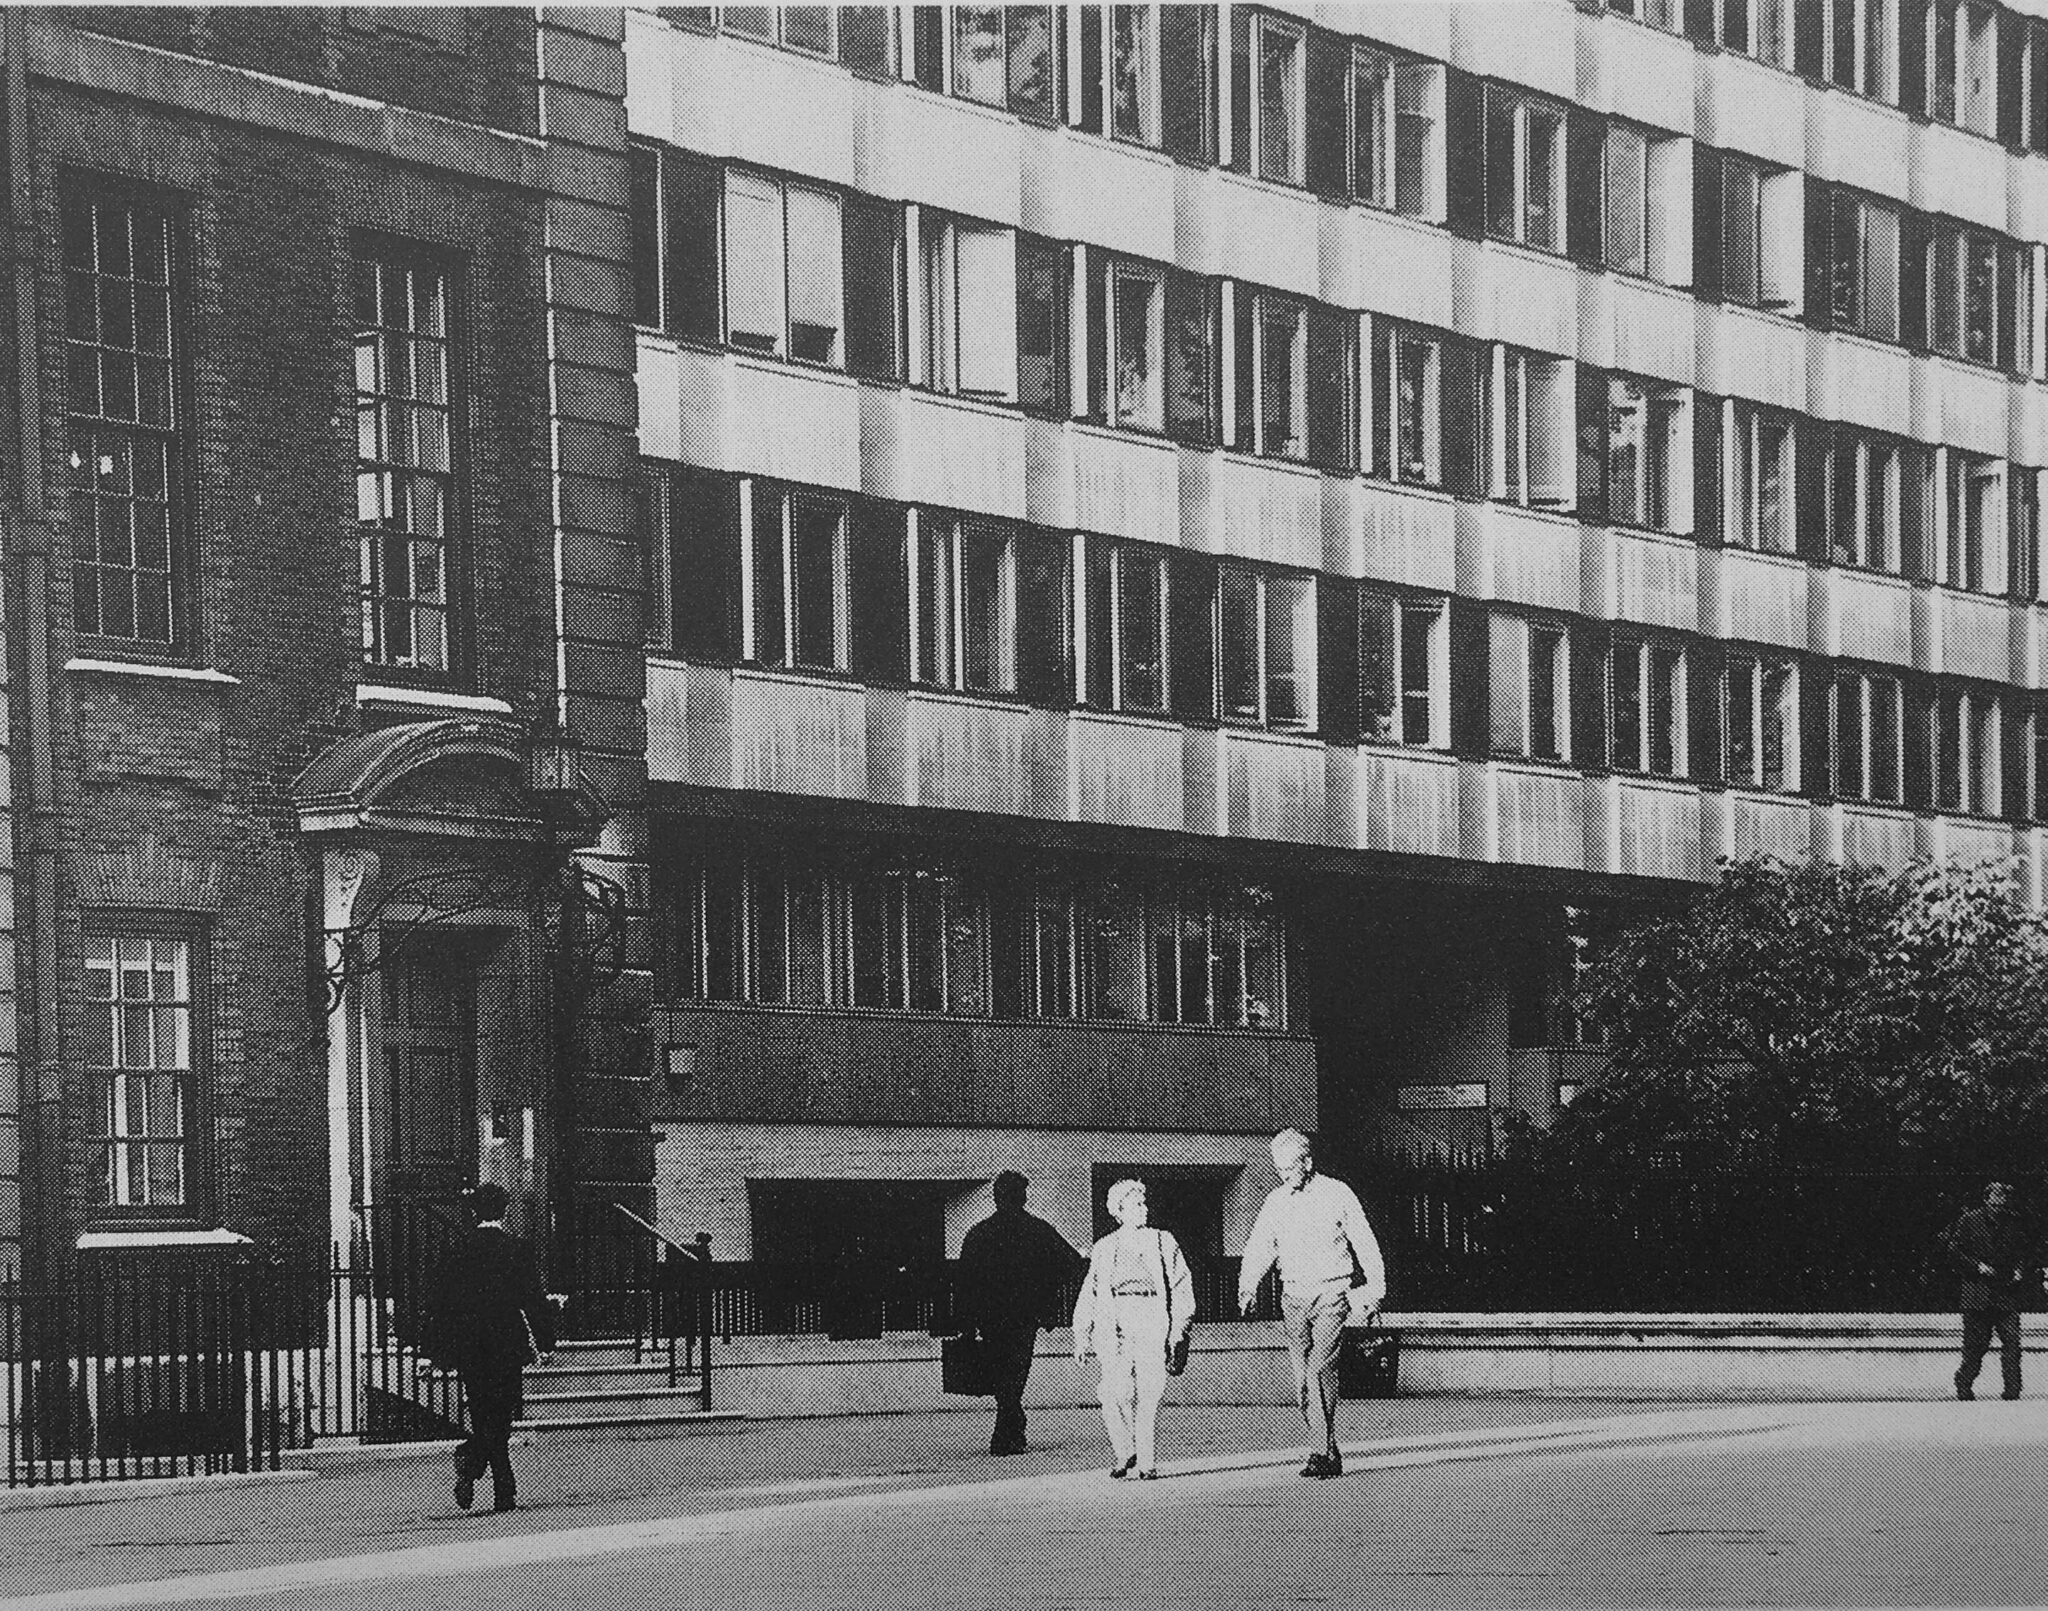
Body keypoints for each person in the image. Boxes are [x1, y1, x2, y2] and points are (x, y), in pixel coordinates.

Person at [1237, 1129, 1386, 1478]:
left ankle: (1319, 1452)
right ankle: (1328, 1450)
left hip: (1331, 1294)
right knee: (1303, 1381)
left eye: (1289, 1168)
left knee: (1320, 1368)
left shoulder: (1337, 1193)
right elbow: (1260, 1246)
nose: (1284, 1176)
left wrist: (1375, 1289)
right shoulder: (1275, 1201)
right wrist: (1247, 1286)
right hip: (1293, 1297)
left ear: (1307, 1162)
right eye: (1279, 1169)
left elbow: (1364, 1240)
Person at [426, 1183, 556, 1512]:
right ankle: (500, 1485)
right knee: (504, 1412)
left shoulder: (459, 1250)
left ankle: (475, 1465)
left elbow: (442, 1303)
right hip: (506, 1341)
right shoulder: (518, 1249)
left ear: (474, 1212)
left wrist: (439, 1350)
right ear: (504, 1211)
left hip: (471, 1344)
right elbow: (532, 1298)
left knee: (482, 1411)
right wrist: (545, 1341)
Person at [955, 1170, 1085, 1454]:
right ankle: (1010, 1427)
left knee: (1002, 1371)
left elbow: (965, 1283)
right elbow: (1073, 1264)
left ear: (996, 1197)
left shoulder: (979, 1234)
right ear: (1023, 1197)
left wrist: (966, 1323)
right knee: (1016, 1370)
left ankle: (1008, 1427)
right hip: (1025, 1314)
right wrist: (1048, 1294)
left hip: (991, 1316)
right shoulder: (1037, 1230)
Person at [1072, 1179, 1193, 1481]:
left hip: (1151, 1316)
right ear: (1119, 1211)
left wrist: (1179, 1327)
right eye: (1136, 1204)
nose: (1144, 1208)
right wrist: (1081, 1335)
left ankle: (1147, 1461)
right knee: (1113, 1392)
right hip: (1114, 1320)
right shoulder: (1104, 1247)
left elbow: (1181, 1285)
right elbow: (1090, 1293)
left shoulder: (1163, 1240)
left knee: (1150, 1391)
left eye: (1144, 1203)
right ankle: (1125, 1450)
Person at [1943, 1180, 2039, 1402]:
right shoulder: (1969, 1221)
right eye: (1995, 1201)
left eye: (2003, 1201)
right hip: (1977, 1293)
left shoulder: (2014, 1222)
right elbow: (1954, 1252)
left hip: (2006, 1292)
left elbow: (2024, 1252)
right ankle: (1964, 1382)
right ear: (1986, 1200)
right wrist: (1977, 1266)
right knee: (1976, 1346)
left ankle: (2013, 1389)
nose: (1999, 1206)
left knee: (2012, 1342)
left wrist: (2019, 1270)